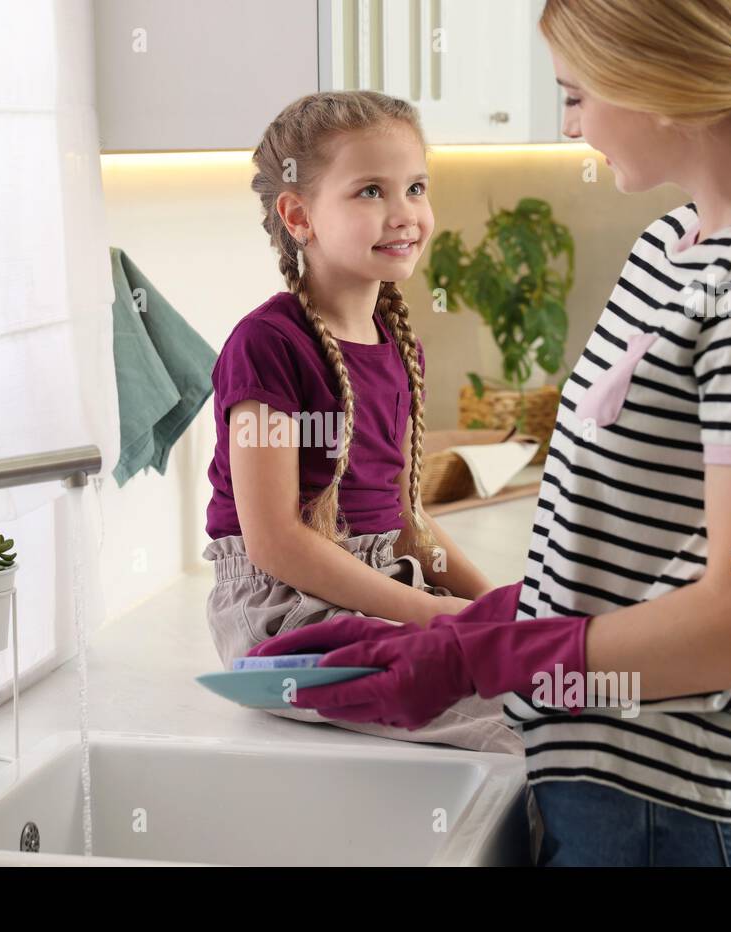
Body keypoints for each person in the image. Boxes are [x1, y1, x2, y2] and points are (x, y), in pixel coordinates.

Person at [252, 0, 731, 866]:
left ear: (653, 80)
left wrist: (489, 657)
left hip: (682, 816)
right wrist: (472, 624)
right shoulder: (674, 245)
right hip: (606, 791)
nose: (572, 125)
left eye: (576, 94)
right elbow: (641, 559)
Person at [200, 91, 520, 754]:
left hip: (380, 586)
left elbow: (404, 522)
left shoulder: (397, 341)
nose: (404, 214)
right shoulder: (267, 346)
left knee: (537, 665)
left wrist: (495, 607)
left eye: (416, 187)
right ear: (298, 215)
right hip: (284, 611)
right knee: (518, 714)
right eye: (371, 190)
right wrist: (439, 614)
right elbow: (276, 543)